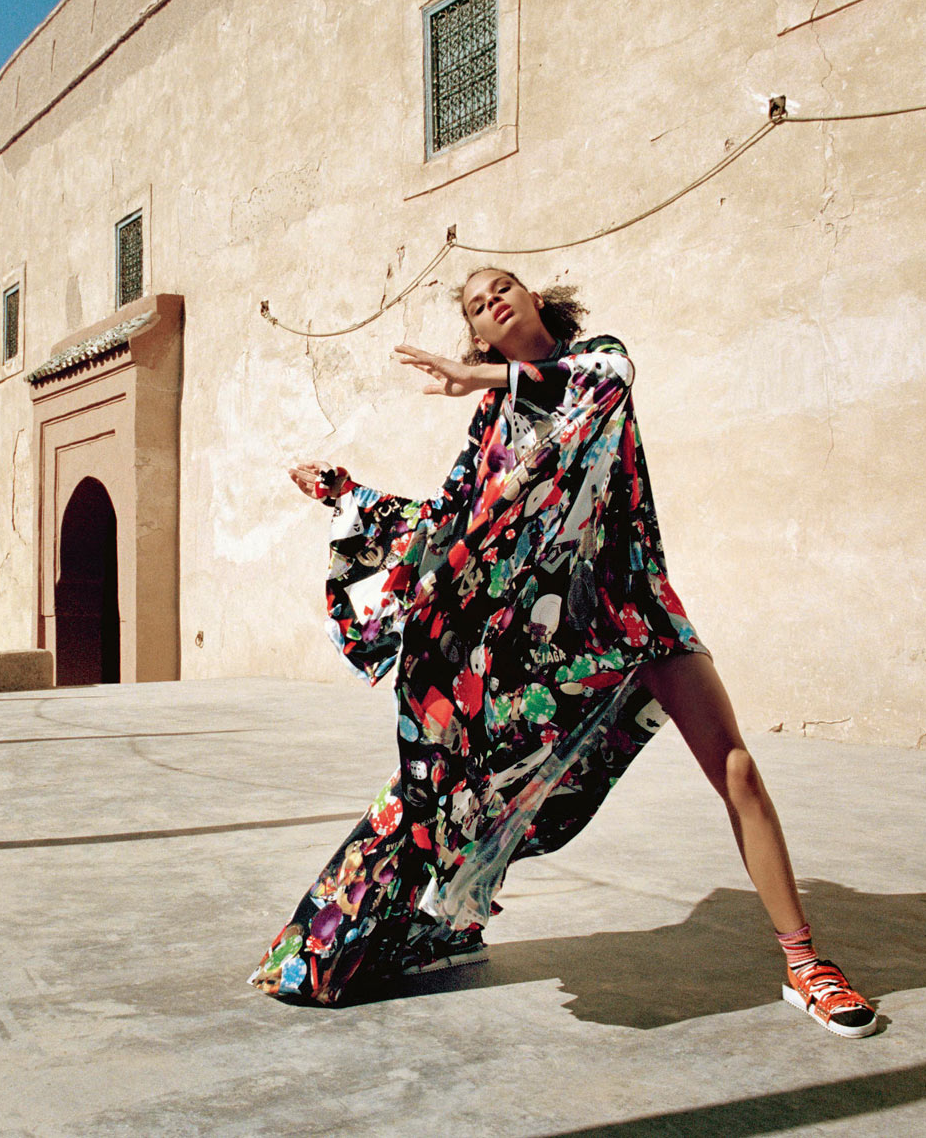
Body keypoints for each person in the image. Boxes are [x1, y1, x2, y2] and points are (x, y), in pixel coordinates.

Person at [248, 267, 876, 1038]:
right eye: (478, 306)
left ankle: (807, 963)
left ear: (535, 299)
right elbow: (451, 521)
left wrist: (482, 374)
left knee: (736, 766)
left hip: (637, 604)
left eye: (502, 287)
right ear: (477, 330)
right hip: (557, 644)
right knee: (460, 779)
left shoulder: (596, 362)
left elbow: (602, 382)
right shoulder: (490, 421)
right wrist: (345, 493)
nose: (493, 302)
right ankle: (374, 930)